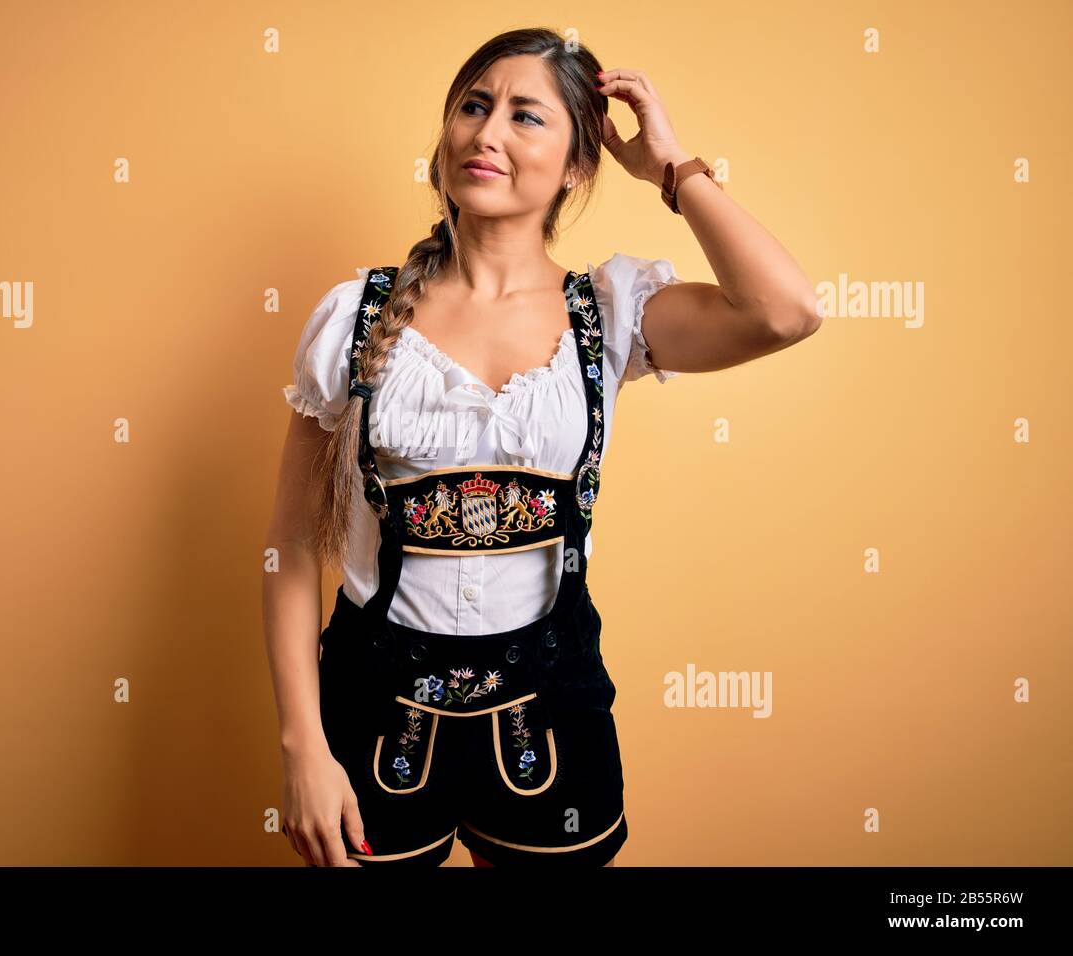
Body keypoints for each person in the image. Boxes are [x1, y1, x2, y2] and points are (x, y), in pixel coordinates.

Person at [263, 27, 822, 867]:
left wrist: (670, 166)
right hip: (370, 711)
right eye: (474, 107)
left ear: (576, 166)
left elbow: (786, 312)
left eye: (526, 116)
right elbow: (294, 546)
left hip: (552, 706)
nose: (486, 134)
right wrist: (303, 746)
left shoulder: (610, 313)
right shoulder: (354, 316)